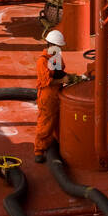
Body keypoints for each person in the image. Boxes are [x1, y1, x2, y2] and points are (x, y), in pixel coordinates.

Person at [34, 29, 67, 163]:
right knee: (45, 123)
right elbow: (46, 82)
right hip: (47, 97)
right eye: (58, 47)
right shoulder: (42, 62)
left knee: (59, 121)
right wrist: (64, 80)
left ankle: (58, 144)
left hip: (58, 94)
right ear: (50, 45)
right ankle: (39, 150)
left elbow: (59, 73)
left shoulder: (56, 57)